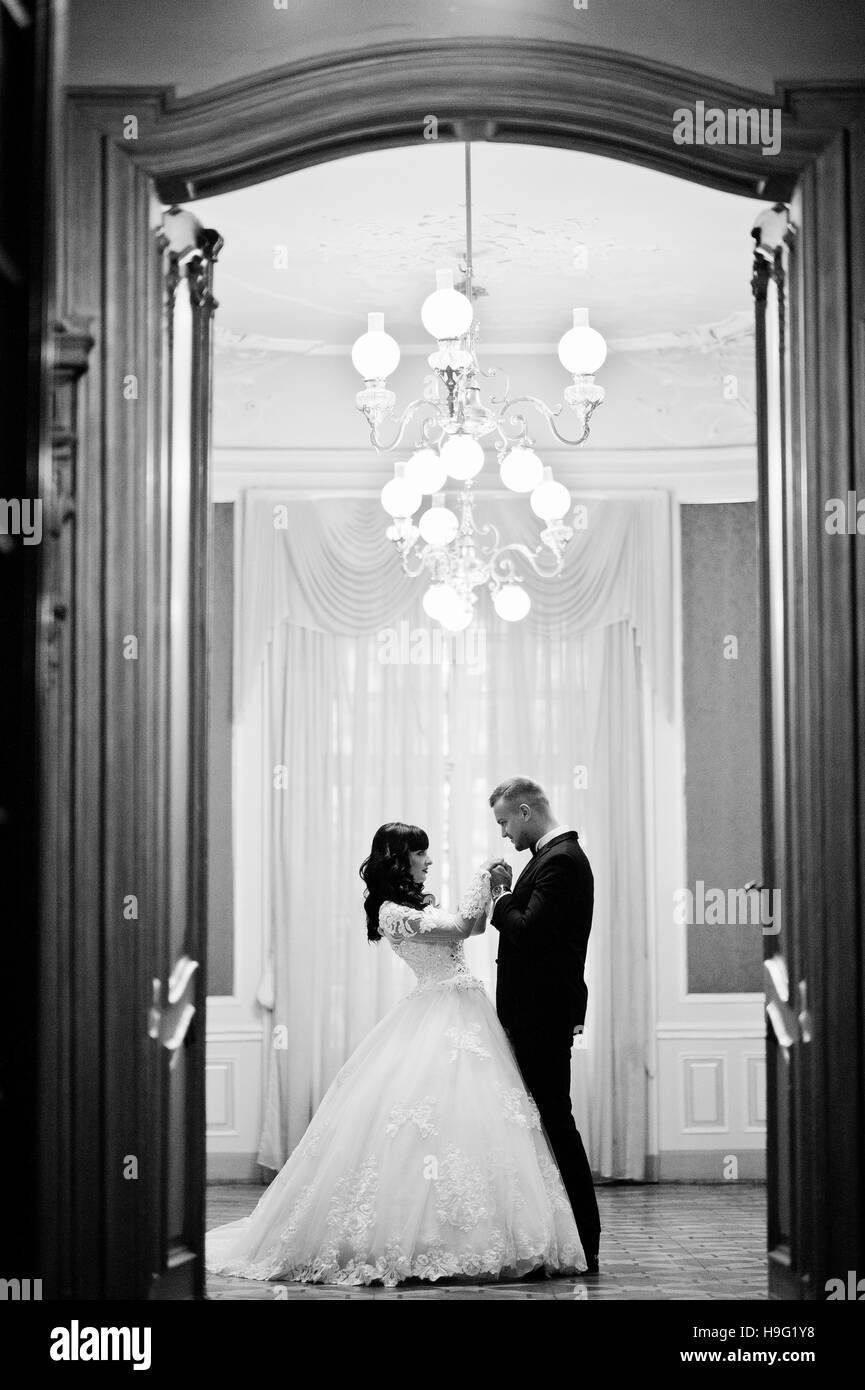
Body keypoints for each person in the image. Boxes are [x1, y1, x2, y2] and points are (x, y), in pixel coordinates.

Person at [205, 821, 585, 1287]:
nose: (428, 861)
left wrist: (495, 893)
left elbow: (477, 926)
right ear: (398, 860)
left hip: (467, 1013)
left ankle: (483, 1234)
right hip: (437, 1013)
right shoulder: (390, 912)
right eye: (420, 854)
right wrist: (484, 876)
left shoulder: (419, 903)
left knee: (475, 1123)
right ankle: (413, 1234)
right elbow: (461, 926)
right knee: (420, 1126)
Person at [487, 777, 601, 1273]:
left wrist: (500, 896)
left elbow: (528, 931)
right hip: (535, 1014)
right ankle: (560, 1235)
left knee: (555, 1122)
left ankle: (584, 1238)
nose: (504, 834)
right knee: (546, 1123)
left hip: (541, 1017)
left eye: (504, 821)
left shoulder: (562, 862)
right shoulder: (551, 856)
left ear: (527, 810)